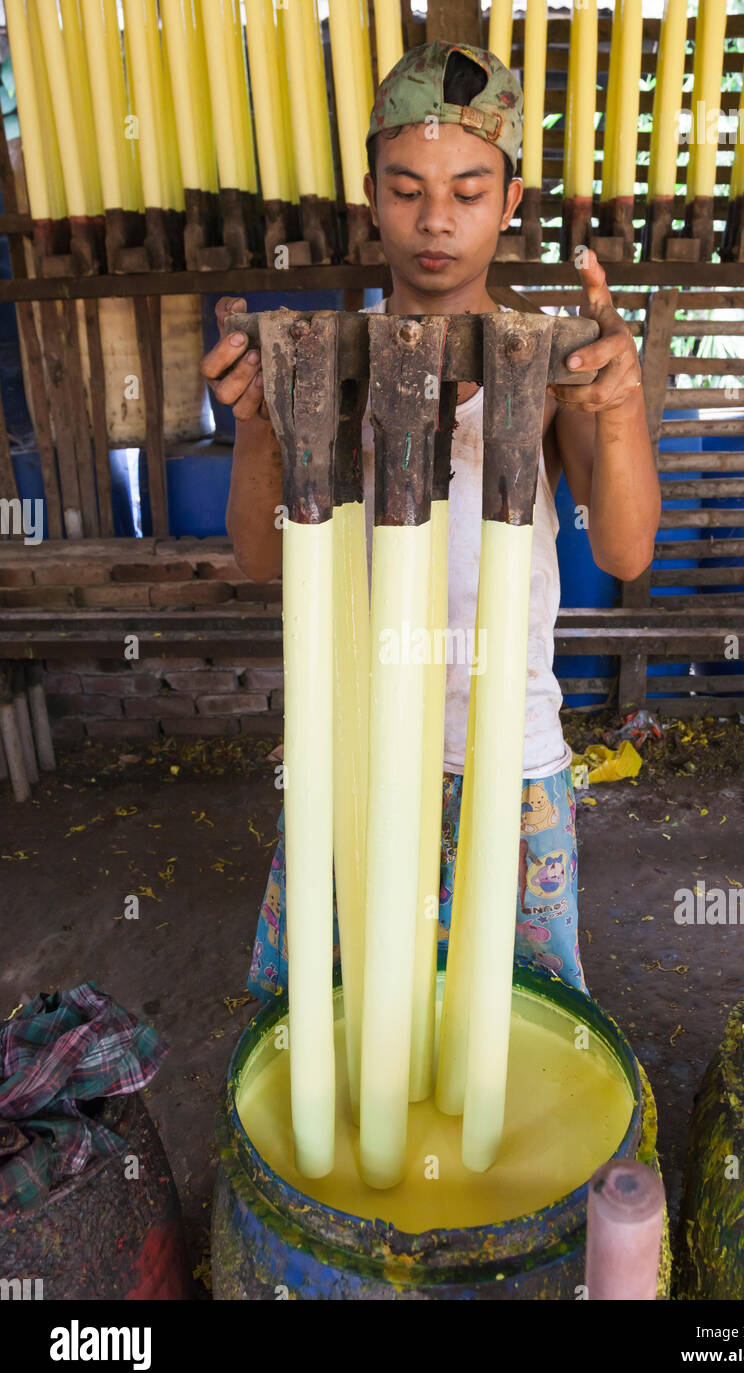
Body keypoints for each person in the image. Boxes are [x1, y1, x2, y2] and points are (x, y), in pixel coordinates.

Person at [200, 41, 660, 1004]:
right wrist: (256, 431)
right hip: (350, 750)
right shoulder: (322, 362)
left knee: (512, 1032)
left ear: (513, 198)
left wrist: (618, 410)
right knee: (347, 1024)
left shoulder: (548, 362)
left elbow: (621, 549)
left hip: (506, 755)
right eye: (407, 190)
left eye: (468, 189)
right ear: (371, 194)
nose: (436, 220)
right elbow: (260, 563)